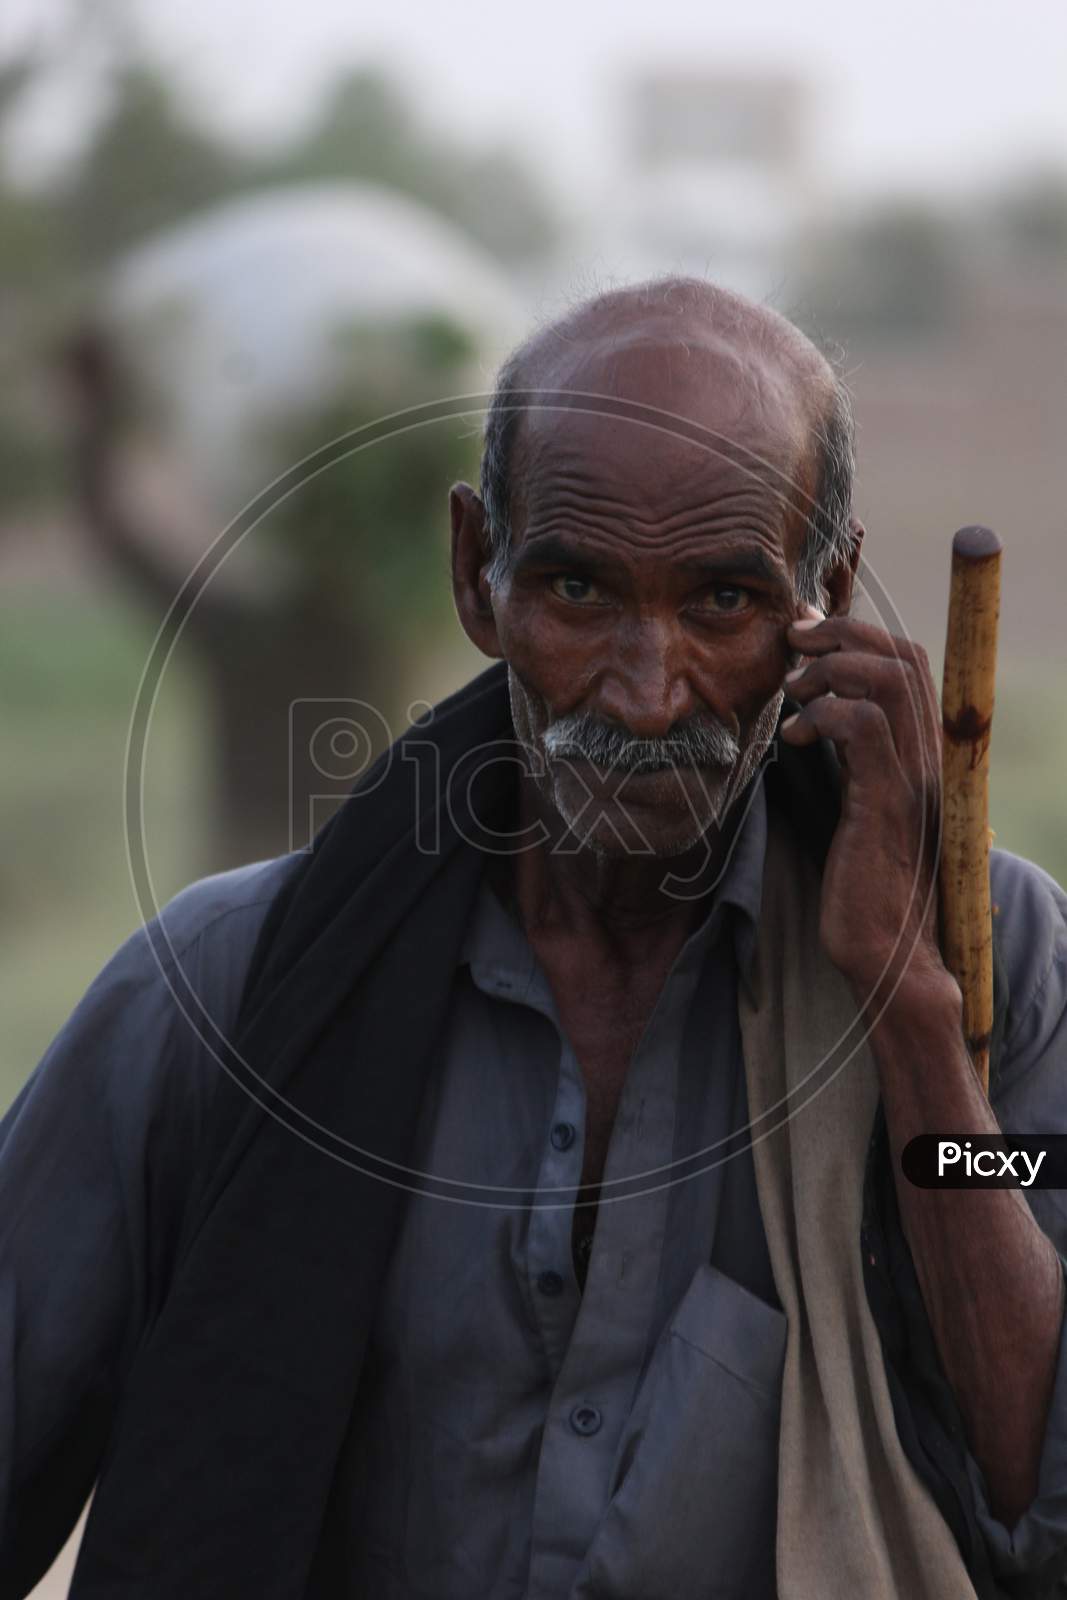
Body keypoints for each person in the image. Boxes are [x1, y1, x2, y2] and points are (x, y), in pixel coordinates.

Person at [3, 277, 1067, 1600]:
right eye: (576, 588)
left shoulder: (989, 963)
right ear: (476, 576)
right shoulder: (228, 987)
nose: (645, 684)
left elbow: (1045, 1476)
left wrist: (909, 1013)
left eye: (724, 603)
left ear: (826, 595)